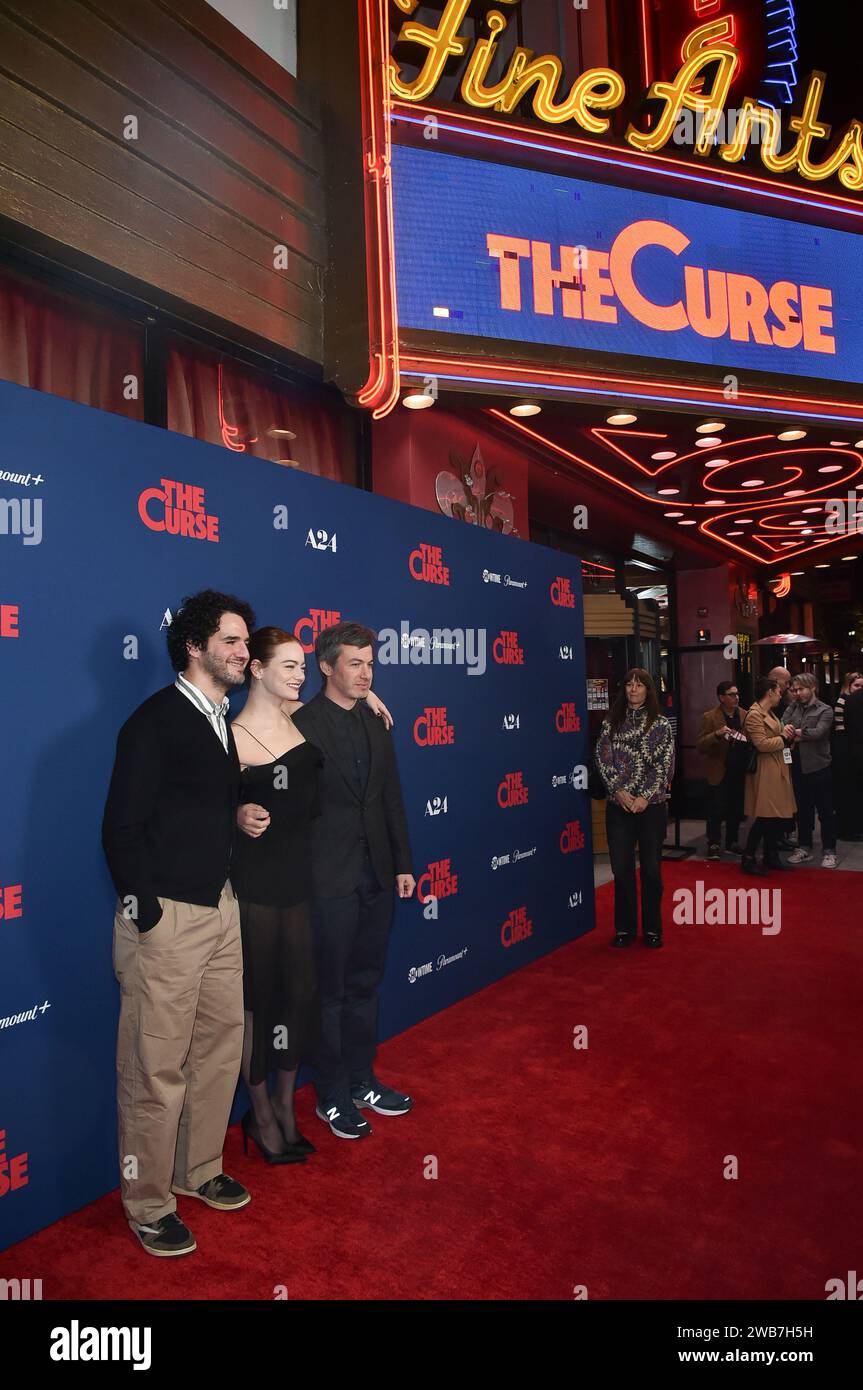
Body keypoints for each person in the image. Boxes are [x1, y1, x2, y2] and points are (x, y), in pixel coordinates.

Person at [102, 589, 255, 1258]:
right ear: (193, 647)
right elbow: (122, 829)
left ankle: (198, 1172)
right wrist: (149, 913)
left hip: (221, 908)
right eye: (230, 641)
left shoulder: (221, 717)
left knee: (220, 1047)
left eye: (245, 642)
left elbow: (188, 808)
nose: (242, 652)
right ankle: (147, 1202)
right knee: (154, 1068)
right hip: (167, 917)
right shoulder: (154, 721)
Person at [290, 622, 416, 1138]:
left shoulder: (377, 721)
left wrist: (404, 864)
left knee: (366, 983)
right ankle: (333, 1094)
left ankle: (364, 1079)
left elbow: (390, 798)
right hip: (326, 878)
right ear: (326, 667)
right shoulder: (299, 722)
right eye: (355, 664)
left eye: (370, 663)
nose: (366, 673)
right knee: (331, 991)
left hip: (378, 874)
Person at [229, 628, 323, 1165]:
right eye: (288, 666)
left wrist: (367, 694)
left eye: (303, 667)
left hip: (300, 881)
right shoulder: (231, 736)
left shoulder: (301, 721)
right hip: (256, 886)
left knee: (299, 995)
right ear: (257, 670)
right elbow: (198, 807)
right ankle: (260, 1112)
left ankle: (287, 1107)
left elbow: (340, 696)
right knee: (258, 1003)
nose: (299, 675)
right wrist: (234, 813)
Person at [596, 669, 675, 949]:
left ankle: (653, 929)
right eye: (629, 685)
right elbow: (603, 758)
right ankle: (625, 928)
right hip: (619, 807)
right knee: (621, 870)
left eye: (639, 686)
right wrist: (619, 791)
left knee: (652, 870)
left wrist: (644, 796)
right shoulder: (611, 722)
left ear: (648, 691)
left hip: (651, 807)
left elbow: (664, 762)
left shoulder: (661, 724)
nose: (633, 690)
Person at [741, 676, 797, 876]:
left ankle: (770, 855)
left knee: (775, 817)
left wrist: (787, 734)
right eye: (779, 691)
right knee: (766, 816)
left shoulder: (769, 713)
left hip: (777, 767)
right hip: (765, 770)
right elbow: (762, 744)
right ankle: (748, 857)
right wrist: (783, 737)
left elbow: (775, 738)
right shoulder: (754, 714)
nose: (781, 695)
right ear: (770, 692)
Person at [785, 673, 836, 867]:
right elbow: (783, 724)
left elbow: (819, 733)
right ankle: (804, 847)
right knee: (803, 811)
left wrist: (798, 733)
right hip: (797, 766)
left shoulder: (825, 709)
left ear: (812, 687)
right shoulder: (793, 707)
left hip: (819, 766)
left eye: (801, 689)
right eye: (795, 690)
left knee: (825, 812)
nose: (797, 693)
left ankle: (829, 850)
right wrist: (794, 732)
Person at [695, 680, 748, 859]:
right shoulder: (710, 717)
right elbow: (700, 745)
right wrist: (717, 734)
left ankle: (732, 841)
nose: (736, 698)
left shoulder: (745, 715)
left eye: (737, 694)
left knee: (736, 808)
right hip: (719, 769)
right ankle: (714, 843)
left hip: (739, 769)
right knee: (716, 808)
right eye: (732, 694)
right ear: (721, 697)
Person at [833, 672, 863, 841]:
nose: (859, 689)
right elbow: (840, 730)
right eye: (856, 685)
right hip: (845, 752)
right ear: (848, 686)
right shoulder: (843, 701)